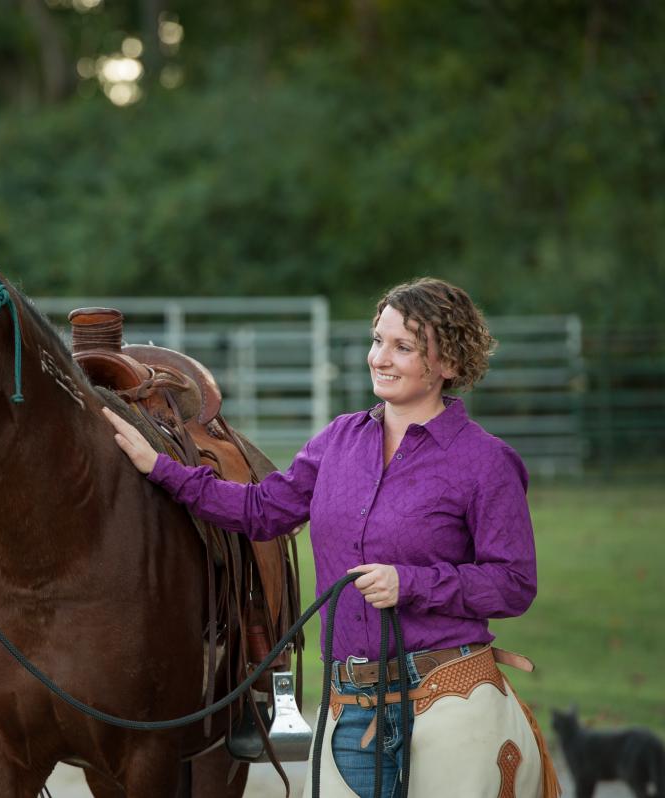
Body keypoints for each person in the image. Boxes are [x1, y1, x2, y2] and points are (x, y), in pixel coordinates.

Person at [103, 278, 557, 797]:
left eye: (403, 347)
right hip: (351, 702)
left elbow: (513, 584)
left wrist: (410, 583)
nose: (379, 358)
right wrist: (161, 468)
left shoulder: (486, 462)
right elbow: (262, 510)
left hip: (450, 698)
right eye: (378, 340)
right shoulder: (340, 440)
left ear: (448, 363)